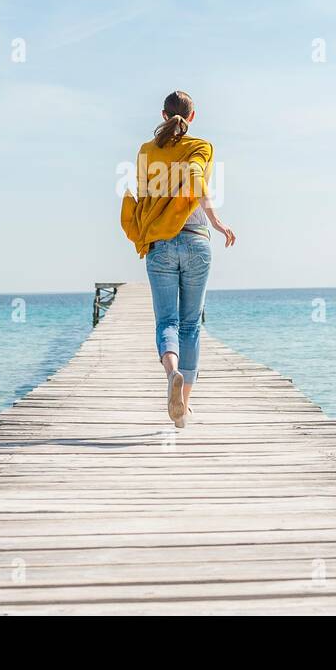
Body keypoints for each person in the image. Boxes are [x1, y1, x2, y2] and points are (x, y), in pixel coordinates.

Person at [121, 90, 236, 428]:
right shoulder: (200, 146)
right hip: (197, 242)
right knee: (190, 326)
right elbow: (198, 180)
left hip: (161, 245)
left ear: (162, 115)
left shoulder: (146, 151)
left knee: (167, 323)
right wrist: (216, 220)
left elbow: (144, 198)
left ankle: (171, 373)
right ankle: (183, 404)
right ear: (193, 117)